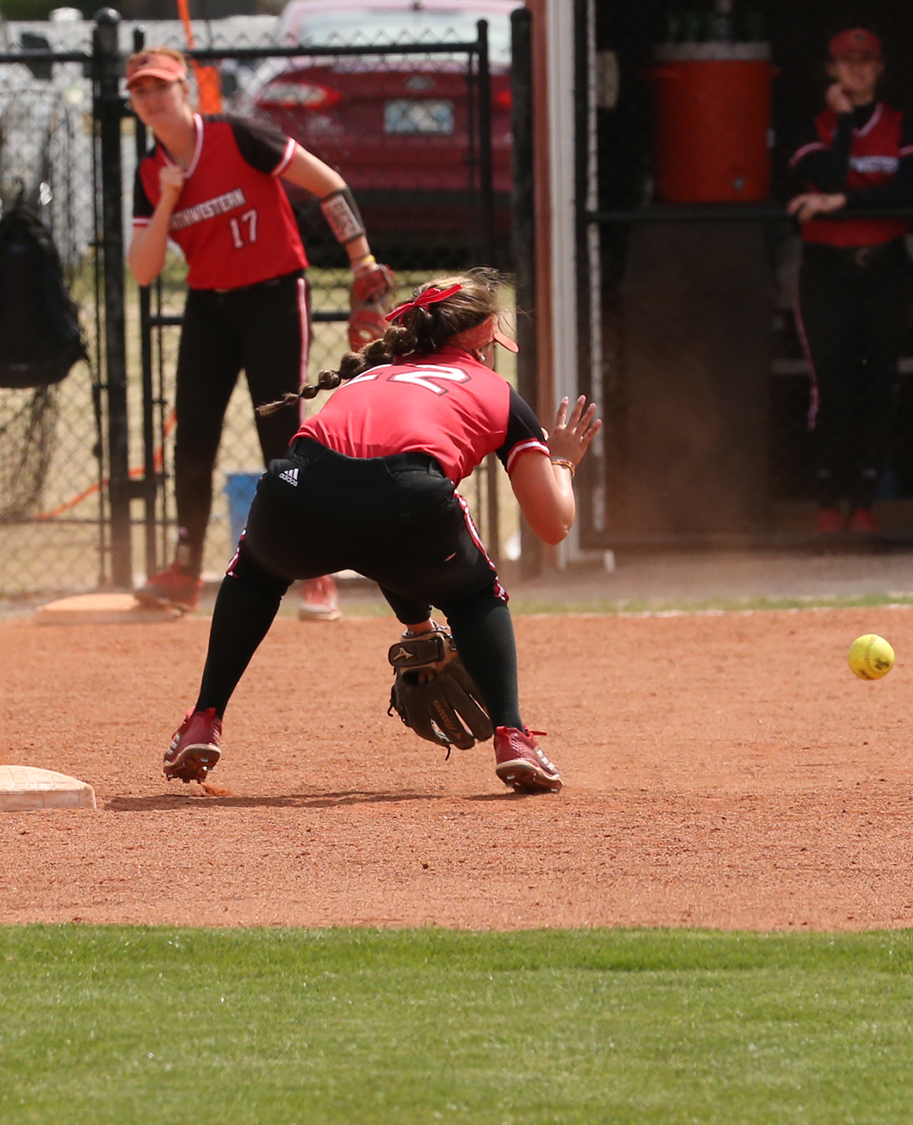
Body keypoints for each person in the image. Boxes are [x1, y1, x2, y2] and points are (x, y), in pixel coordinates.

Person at [159, 273, 602, 795]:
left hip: (296, 490)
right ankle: (514, 736)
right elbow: (552, 526)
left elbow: (360, 514)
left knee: (255, 576)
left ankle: (203, 718)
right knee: (474, 591)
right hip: (406, 503)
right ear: (482, 343)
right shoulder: (496, 392)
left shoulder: (370, 375)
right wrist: (563, 461)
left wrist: (419, 629)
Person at [124, 46, 396, 620]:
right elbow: (143, 270)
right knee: (192, 440)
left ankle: (316, 570)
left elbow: (329, 184)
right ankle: (184, 570)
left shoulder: (240, 137)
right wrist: (170, 196)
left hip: (273, 296)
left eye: (162, 86)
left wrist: (361, 259)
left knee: (281, 434)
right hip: (209, 307)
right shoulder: (152, 173)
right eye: (141, 91)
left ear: (186, 90)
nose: (152, 99)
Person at [785, 27, 913, 535]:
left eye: (868, 59)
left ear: (881, 66)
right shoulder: (814, 125)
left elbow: (906, 193)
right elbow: (831, 174)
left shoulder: (902, 126)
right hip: (827, 269)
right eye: (848, 60)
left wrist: (842, 204)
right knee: (833, 387)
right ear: (832, 70)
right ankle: (829, 500)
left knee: (879, 385)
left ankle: (865, 501)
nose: (858, 68)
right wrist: (845, 121)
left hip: (885, 266)